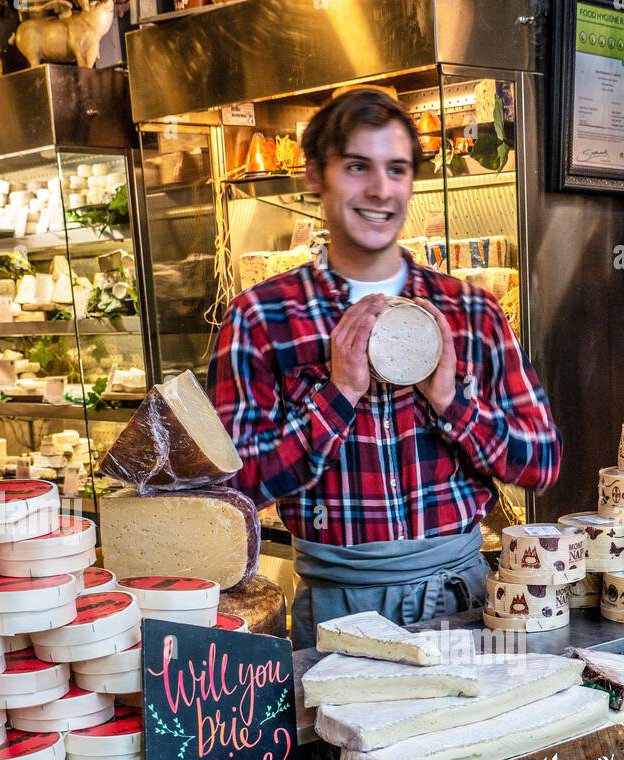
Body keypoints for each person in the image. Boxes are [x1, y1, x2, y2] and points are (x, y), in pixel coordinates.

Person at [208, 87, 562, 649]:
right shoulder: (262, 319)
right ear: (314, 177)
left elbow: (541, 462)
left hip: (464, 601)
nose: (379, 189)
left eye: (396, 169)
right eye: (356, 167)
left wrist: (451, 402)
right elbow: (233, 491)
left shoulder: (472, 311)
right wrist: (339, 394)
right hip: (337, 609)